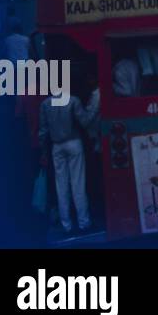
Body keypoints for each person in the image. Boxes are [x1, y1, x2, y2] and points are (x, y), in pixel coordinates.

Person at [38, 84, 100, 234]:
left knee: (61, 186)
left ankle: (66, 225)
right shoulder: (73, 100)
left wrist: (43, 151)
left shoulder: (45, 104)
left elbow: (43, 131)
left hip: (56, 147)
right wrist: (95, 105)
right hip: (74, 142)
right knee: (78, 183)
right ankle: (84, 223)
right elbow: (85, 122)